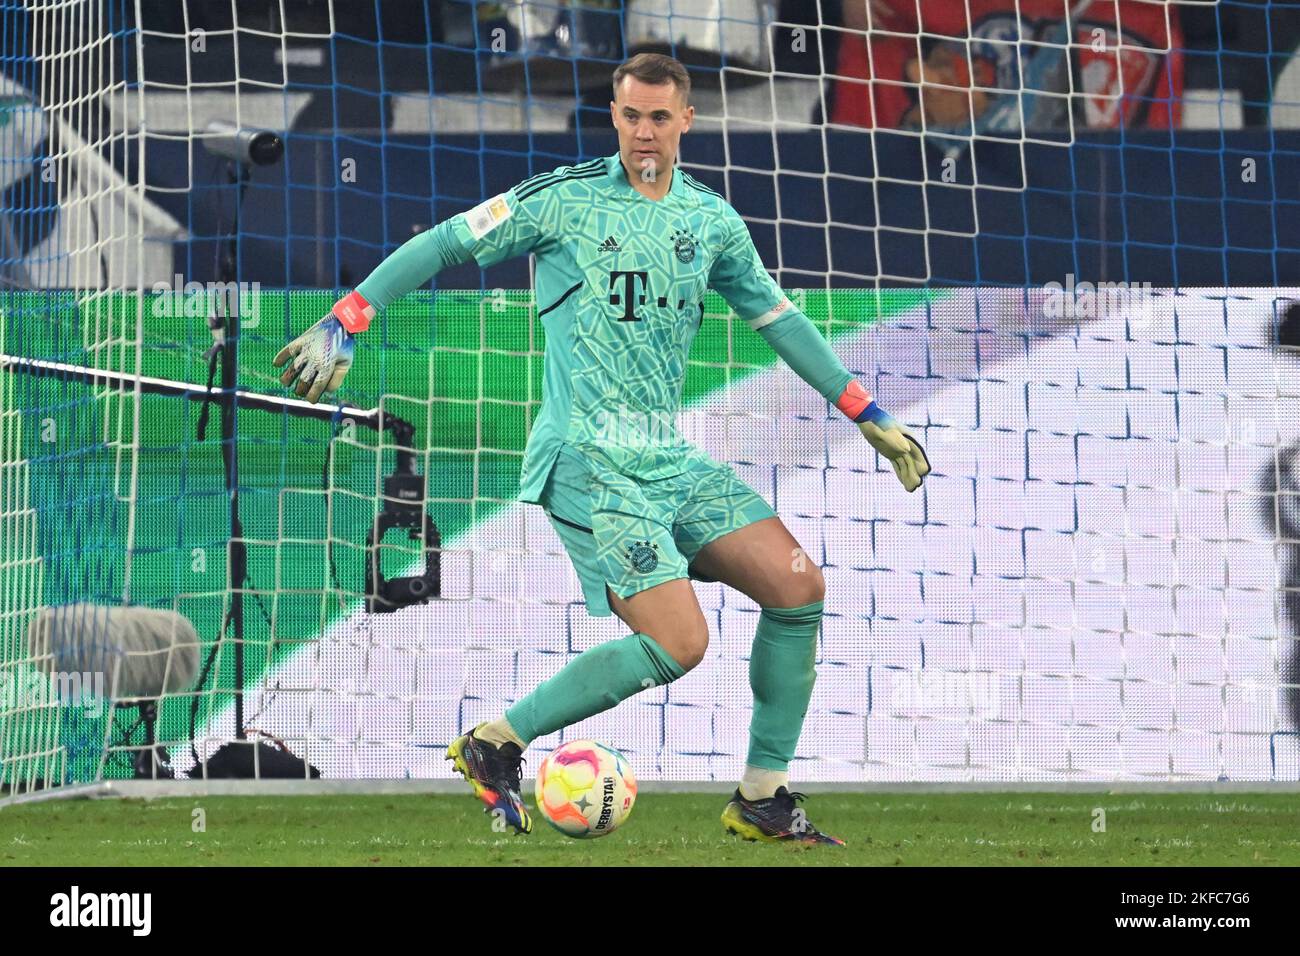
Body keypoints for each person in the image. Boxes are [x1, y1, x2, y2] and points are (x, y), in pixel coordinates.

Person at [273, 52, 930, 845]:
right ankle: (497, 741)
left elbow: (780, 320)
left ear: (686, 118)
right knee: (681, 642)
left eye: (659, 117)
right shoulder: (563, 202)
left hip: (666, 457)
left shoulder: (711, 221)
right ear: (614, 117)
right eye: (630, 116)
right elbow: (446, 242)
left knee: (797, 591)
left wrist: (863, 409)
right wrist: (351, 315)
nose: (644, 133)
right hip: (586, 457)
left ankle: (761, 796)